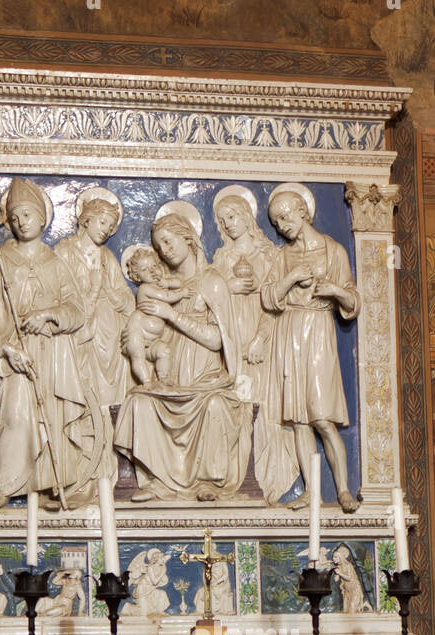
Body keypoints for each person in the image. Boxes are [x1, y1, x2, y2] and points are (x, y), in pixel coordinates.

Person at [113, 208, 250, 503]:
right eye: (160, 245)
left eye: (169, 241)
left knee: (215, 406)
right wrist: (136, 341)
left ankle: (209, 481)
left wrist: (172, 315)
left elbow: (218, 339)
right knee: (138, 402)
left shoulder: (212, 281)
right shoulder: (162, 287)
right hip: (171, 385)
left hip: (207, 383)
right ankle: (159, 481)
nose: (164, 250)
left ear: (188, 238)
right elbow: (152, 332)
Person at [0, 177, 90, 512]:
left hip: (53, 354)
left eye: (27, 214)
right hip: (17, 355)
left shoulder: (55, 262)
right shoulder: (2, 261)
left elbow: (76, 310)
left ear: (42, 218)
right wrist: (6, 349)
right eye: (15, 217)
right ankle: (7, 485)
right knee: (16, 415)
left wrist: (50, 315)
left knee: (52, 416)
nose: (21, 221)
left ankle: (51, 485)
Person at [261, 183, 361, 513]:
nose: (281, 225)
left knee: (322, 417)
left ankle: (344, 489)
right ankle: (311, 491)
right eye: (275, 222)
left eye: (284, 217)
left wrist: (333, 289)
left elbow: (353, 301)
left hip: (318, 329)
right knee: (299, 420)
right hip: (290, 331)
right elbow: (269, 297)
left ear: (303, 212)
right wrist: (291, 278)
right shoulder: (283, 255)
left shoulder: (333, 251)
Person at [211, 186, 297, 504]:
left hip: (262, 340)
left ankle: (265, 477)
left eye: (233, 216)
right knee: (236, 404)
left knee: (264, 405)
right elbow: (210, 299)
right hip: (231, 342)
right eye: (223, 220)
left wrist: (261, 338)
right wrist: (229, 288)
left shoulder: (270, 254)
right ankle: (237, 478)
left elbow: (276, 302)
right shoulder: (221, 257)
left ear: (247, 217)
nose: (229, 223)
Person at [53, 187, 136, 504]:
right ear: (85, 219)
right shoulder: (64, 252)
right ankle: (79, 478)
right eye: (102, 221)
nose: (106, 229)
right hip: (78, 341)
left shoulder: (107, 258)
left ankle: (106, 476)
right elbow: (59, 295)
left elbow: (126, 300)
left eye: (111, 226)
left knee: (108, 408)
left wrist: (112, 295)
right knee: (82, 407)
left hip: (109, 347)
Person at [121, 245, 185, 385]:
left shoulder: (159, 283)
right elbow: (167, 297)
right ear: (137, 276)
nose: (151, 271)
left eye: (154, 266)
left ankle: (163, 379)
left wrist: (166, 280)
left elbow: (179, 282)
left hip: (153, 338)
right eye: (145, 269)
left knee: (164, 351)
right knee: (138, 357)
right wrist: (182, 293)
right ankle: (146, 382)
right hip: (137, 331)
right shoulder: (145, 288)